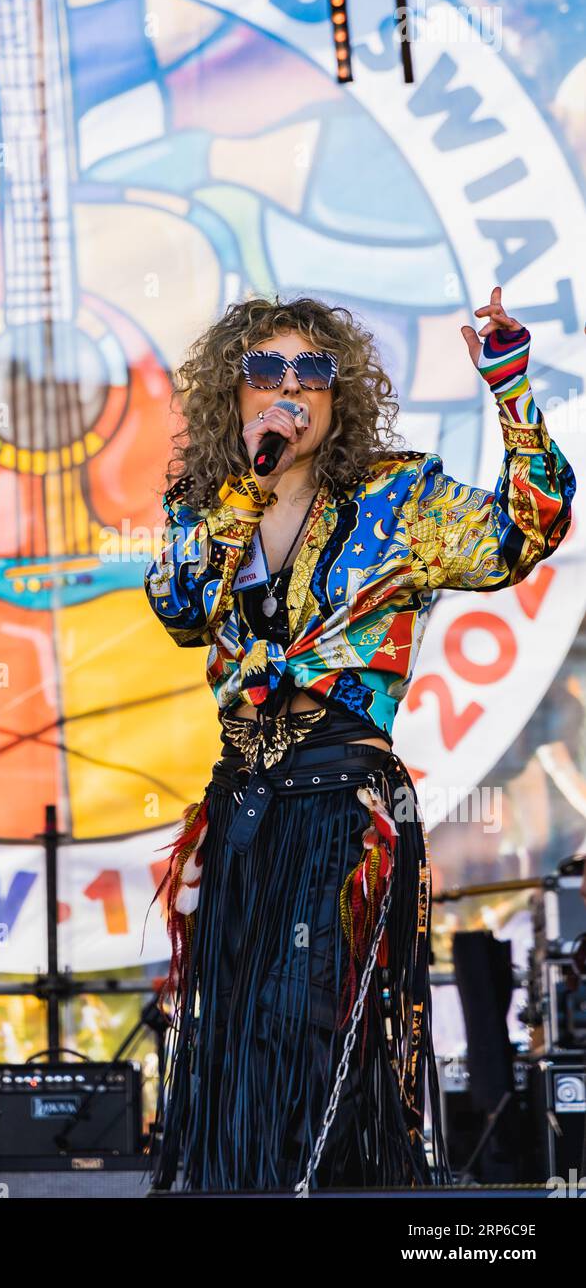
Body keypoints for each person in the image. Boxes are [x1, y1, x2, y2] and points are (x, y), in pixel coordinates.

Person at [143, 286, 575, 1193]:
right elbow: (178, 607)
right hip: (246, 805)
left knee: (304, 1021)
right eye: (268, 371)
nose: (290, 387)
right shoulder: (207, 507)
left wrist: (510, 390)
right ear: (237, 392)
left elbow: (521, 534)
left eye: (314, 370)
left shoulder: (400, 495)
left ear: (341, 394)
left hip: (342, 802)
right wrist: (242, 495)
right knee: (231, 1041)